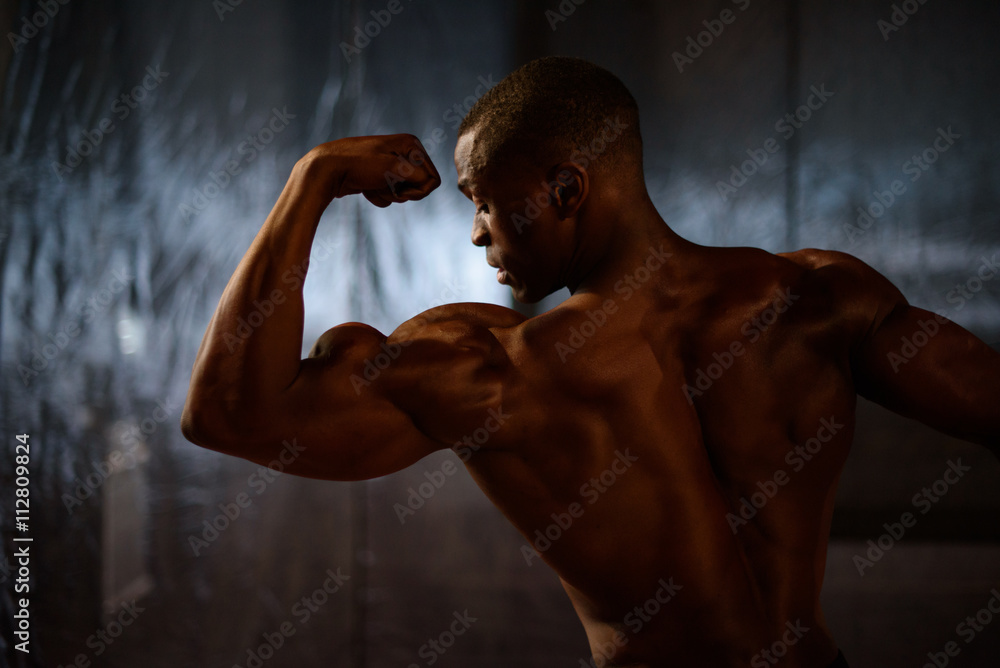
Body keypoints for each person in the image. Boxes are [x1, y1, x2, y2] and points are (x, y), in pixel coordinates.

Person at [181, 57, 999, 667]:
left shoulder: (494, 367)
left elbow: (228, 414)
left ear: (566, 190)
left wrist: (312, 180)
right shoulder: (817, 300)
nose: (477, 233)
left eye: (483, 201)